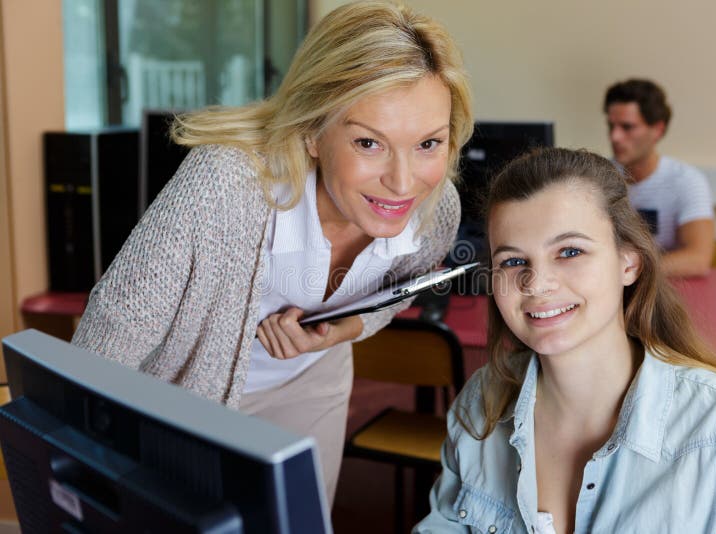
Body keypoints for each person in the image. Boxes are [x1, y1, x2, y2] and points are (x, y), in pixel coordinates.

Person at [72, 1, 473, 507]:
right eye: (369, 143)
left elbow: (396, 294)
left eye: (429, 144)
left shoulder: (435, 208)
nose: (402, 181)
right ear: (311, 131)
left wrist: (342, 330)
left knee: (297, 520)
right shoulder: (224, 184)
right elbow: (103, 346)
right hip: (187, 390)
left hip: (312, 380)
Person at [415, 148, 716, 533]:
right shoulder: (482, 402)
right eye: (514, 261)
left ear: (628, 263)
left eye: (569, 252)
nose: (537, 284)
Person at [604, 79, 715, 277]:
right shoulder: (599, 176)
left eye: (627, 127)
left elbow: (698, 259)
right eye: (611, 126)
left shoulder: (686, 181)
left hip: (660, 290)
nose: (615, 137)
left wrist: (625, 271)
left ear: (658, 130)